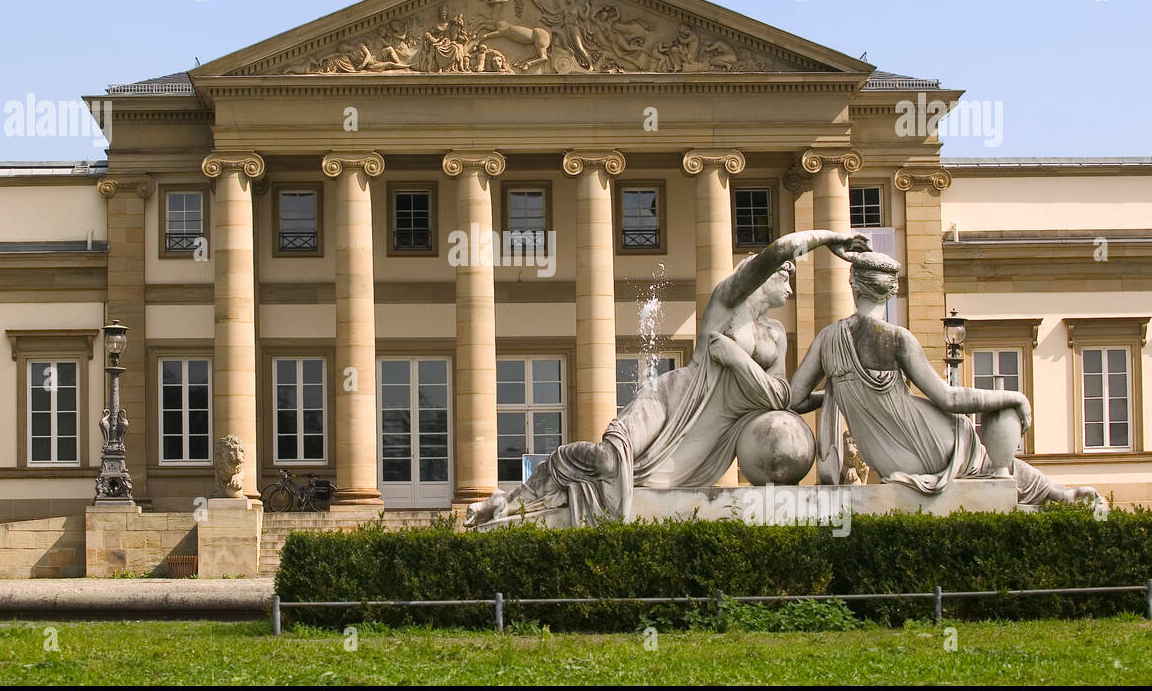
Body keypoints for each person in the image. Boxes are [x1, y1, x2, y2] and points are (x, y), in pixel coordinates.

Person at [465, 229, 871, 527]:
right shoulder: (727, 305)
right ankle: (509, 503)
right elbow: (779, 249)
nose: (791, 288)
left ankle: (516, 507)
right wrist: (828, 239)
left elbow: (787, 399)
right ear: (767, 277)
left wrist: (838, 392)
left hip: (708, 439)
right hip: (671, 400)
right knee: (608, 460)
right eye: (787, 277)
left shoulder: (776, 335)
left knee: (637, 486)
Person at [787, 251, 1099, 505]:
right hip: (928, 445)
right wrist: (1014, 397)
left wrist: (839, 391)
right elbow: (949, 398)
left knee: (984, 462)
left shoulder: (827, 339)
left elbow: (795, 399)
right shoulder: (897, 338)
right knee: (981, 455)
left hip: (887, 458)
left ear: (853, 285)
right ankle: (1056, 493)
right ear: (893, 291)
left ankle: (1056, 492)